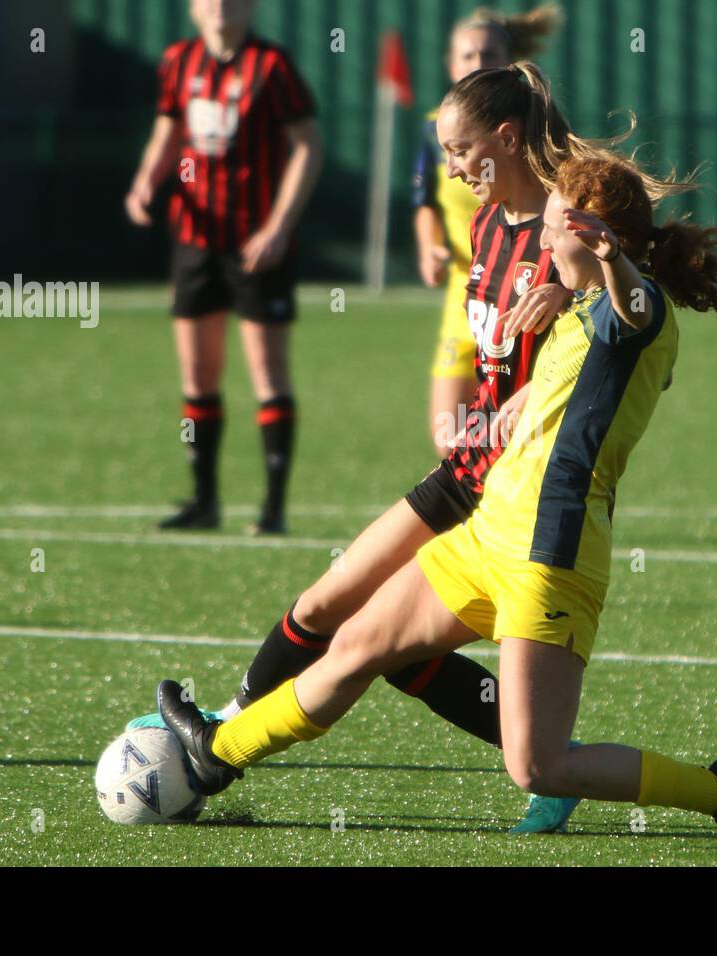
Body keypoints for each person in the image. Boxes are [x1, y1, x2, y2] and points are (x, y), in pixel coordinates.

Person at [159, 152, 717, 849]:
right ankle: (215, 754)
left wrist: (614, 262)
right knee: (354, 646)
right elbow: (575, 369)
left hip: (549, 555)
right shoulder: (581, 306)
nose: (544, 243)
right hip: (487, 532)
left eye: (556, 229)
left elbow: (637, 308)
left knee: (536, 764)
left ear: (593, 238)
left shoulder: (633, 309)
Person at [135, 62, 621, 831]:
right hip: (466, 471)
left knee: (378, 645)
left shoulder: (570, 221)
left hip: (522, 493)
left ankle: (214, 748)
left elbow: (620, 329)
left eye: (461, 151)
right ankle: (221, 724)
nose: (453, 169)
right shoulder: (486, 224)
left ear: (506, 137)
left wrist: (574, 286)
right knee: (333, 601)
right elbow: (482, 346)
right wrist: (471, 409)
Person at [125, 0, 323, 534]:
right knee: (197, 374)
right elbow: (168, 130)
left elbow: (308, 145)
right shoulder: (178, 61)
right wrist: (146, 180)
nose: (220, 8)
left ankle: (273, 508)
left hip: (257, 245)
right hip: (195, 241)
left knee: (267, 373)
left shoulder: (272, 67)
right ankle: (203, 500)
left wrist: (279, 226)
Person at [414, 4, 562, 455]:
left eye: (489, 54)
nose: (477, 64)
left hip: (528, 292)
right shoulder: (433, 131)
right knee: (450, 440)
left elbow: (586, 210)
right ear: (449, 63)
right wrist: (429, 248)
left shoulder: (535, 130)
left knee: (519, 440)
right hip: (468, 295)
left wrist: (573, 288)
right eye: (467, 55)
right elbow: (423, 202)